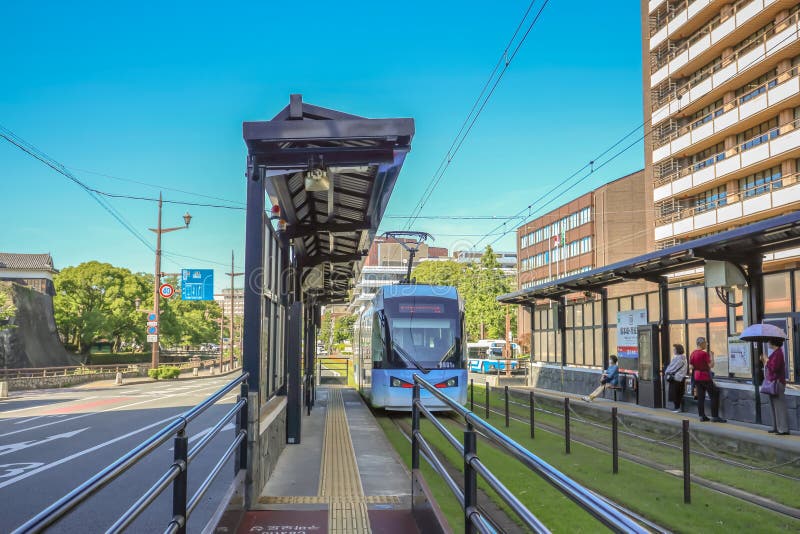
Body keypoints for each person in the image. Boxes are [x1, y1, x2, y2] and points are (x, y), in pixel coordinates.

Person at [689, 337, 726, 422]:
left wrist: (698, 367)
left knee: (701, 397)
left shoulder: (693, 353)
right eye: (705, 343)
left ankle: (702, 416)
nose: (706, 344)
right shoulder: (704, 354)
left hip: (697, 377)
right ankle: (715, 416)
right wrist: (712, 356)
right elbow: (711, 365)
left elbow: (691, 366)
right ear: (701, 343)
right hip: (705, 376)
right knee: (714, 394)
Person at [762, 339, 790, 435]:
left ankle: (783, 429)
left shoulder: (778, 353)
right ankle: (776, 427)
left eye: (769, 342)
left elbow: (774, 368)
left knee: (779, 406)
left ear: (773, 343)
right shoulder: (776, 353)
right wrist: (765, 361)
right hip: (773, 382)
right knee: (773, 405)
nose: (768, 343)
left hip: (777, 382)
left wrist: (767, 360)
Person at [664, 344, 688, 413]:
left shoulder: (678, 358)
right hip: (681, 378)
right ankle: (678, 408)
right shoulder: (684, 358)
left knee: (675, 394)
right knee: (679, 393)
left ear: (678, 350)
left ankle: (677, 408)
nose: (673, 350)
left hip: (675, 378)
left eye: (674, 349)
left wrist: (666, 372)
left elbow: (671, 368)